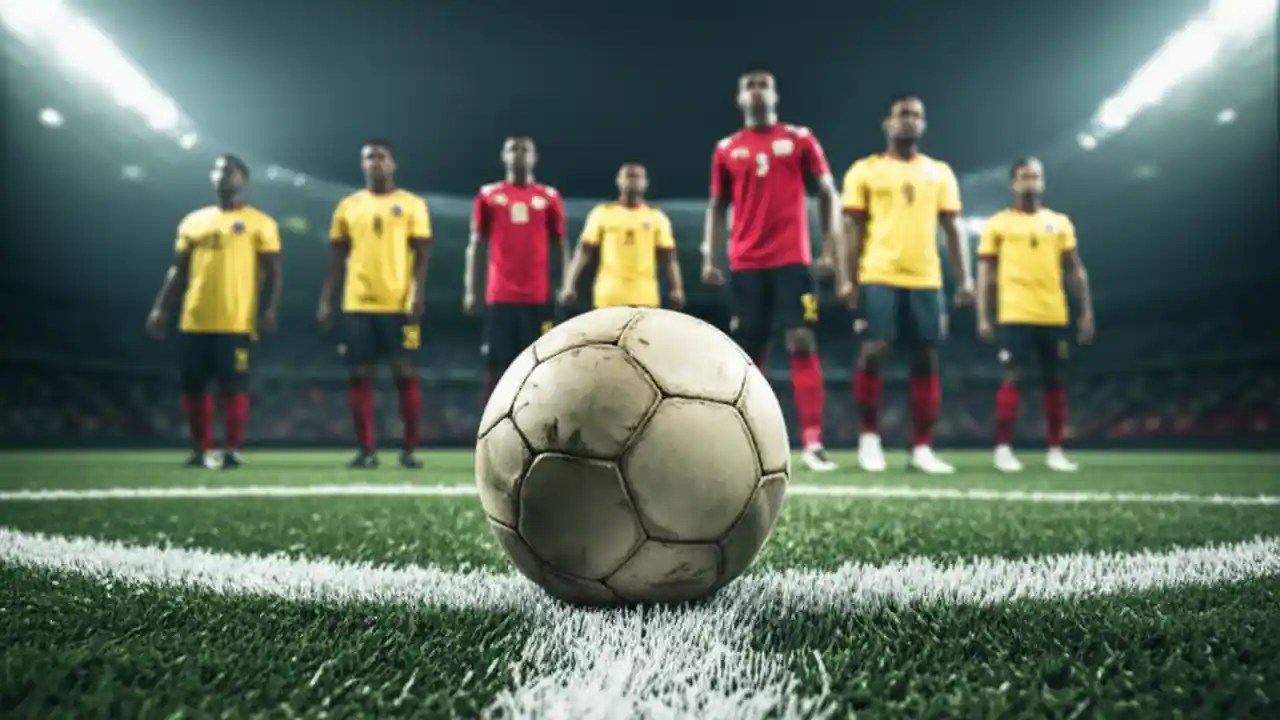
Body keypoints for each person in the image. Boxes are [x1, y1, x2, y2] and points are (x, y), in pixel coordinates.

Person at [703, 68, 853, 473]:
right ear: (740, 98)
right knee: (749, 355)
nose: (756, 91)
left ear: (774, 94)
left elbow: (827, 192)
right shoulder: (727, 149)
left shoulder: (799, 139)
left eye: (762, 85)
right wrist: (709, 256)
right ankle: (749, 442)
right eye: (748, 85)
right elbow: (717, 207)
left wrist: (830, 250)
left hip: (792, 261)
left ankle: (813, 443)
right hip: (746, 263)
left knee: (802, 341)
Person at [842, 96, 974, 474]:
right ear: (888, 123)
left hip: (926, 278)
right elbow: (853, 229)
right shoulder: (865, 171)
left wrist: (964, 279)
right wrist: (847, 279)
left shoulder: (940, 173)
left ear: (923, 124)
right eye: (902, 115)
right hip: (879, 272)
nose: (909, 121)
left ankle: (921, 448)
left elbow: (952, 228)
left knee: (927, 358)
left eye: (917, 115)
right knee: (873, 352)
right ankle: (869, 440)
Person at [146, 154, 282, 470]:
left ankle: (232, 448)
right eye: (218, 170)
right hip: (194, 318)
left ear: (243, 180)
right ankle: (200, 448)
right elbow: (178, 271)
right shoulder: (193, 221)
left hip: (237, 320)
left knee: (233, 385)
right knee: (193, 385)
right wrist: (160, 308)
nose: (222, 176)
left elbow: (274, 272)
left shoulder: (260, 223)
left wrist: (270, 309)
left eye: (230, 171)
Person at [317, 139, 431, 469]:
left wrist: (417, 293)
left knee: (406, 373)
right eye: (369, 157)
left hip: (399, 305)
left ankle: (409, 450)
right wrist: (326, 299)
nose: (375, 162)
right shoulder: (348, 206)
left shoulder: (412, 204)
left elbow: (422, 255)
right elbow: (336, 258)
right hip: (357, 304)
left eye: (381, 157)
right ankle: (367, 451)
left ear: (393, 164)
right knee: (358, 375)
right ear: (362, 164)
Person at [977, 157, 1095, 472]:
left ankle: (1055, 450)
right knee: (1012, 375)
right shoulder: (998, 223)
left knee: (1055, 380)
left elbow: (1075, 270)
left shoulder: (1060, 223)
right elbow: (986, 274)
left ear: (1042, 183)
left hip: (1053, 314)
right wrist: (983, 316)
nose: (1030, 183)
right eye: (1024, 177)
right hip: (1014, 314)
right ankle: (1003, 449)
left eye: (1036, 177)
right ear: (1013, 183)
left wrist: (1085, 312)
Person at [464, 136, 567, 399]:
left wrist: (563, 285)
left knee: (540, 365)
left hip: (538, 297)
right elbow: (477, 244)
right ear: (504, 156)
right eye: (513, 149)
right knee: (496, 366)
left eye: (525, 150)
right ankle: (491, 429)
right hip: (500, 296)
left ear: (534, 157)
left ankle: (538, 428)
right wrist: (472, 290)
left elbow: (560, 245)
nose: (519, 154)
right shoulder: (489, 195)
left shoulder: (549, 197)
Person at [560, 163, 685, 310]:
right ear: (618, 181)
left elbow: (669, 258)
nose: (632, 180)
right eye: (628, 176)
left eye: (637, 176)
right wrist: (569, 285)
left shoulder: (657, 217)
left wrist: (677, 289)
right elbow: (583, 253)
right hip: (609, 297)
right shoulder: (602, 213)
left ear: (645, 183)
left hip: (644, 297)